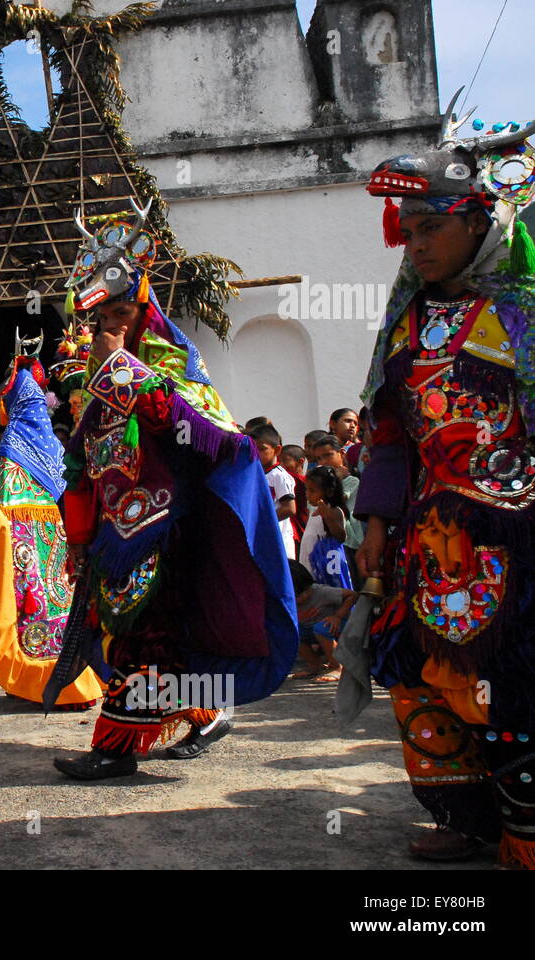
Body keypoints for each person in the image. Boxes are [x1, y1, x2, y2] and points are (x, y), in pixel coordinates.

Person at [48, 199, 298, 777]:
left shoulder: (172, 361)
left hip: (171, 529)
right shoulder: (97, 374)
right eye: (95, 315)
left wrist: (123, 371)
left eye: (114, 309)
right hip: (118, 533)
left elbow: (210, 434)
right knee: (139, 635)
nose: (104, 324)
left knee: (145, 636)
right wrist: (80, 537)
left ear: (138, 306)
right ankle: (205, 711)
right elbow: (85, 464)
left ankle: (114, 750)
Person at [355, 100, 535, 866]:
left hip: (516, 538)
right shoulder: (405, 325)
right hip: (425, 542)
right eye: (409, 229)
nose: (417, 244)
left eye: (432, 226)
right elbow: (389, 436)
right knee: (420, 678)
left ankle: (524, 829)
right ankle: (468, 816)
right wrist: (373, 531)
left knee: (510, 687)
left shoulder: (523, 316)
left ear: (481, 221)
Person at [0, 331, 102, 708]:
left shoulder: (13, 444)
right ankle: (76, 682)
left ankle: (38, 681)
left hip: (24, 547)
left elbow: (1, 508)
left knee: (31, 607)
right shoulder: (53, 444)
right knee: (64, 605)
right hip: (60, 544)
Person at [289, 561, 355, 683]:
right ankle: (314, 664)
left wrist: (338, 616)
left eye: (305, 591)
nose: (302, 597)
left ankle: (337, 666)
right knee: (291, 633)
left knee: (321, 628)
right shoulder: (286, 599)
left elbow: (352, 595)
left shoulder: (321, 592)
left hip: (336, 626)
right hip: (311, 629)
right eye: (297, 596)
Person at [309, 432, 365, 576]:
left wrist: (337, 479)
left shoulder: (352, 481)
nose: (323, 462)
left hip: (348, 541)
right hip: (324, 541)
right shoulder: (317, 484)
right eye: (319, 458)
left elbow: (336, 500)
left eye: (328, 455)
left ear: (341, 453)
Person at [299, 465, 353, 589]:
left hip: (324, 569)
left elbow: (341, 536)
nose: (307, 494)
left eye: (312, 491)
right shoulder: (314, 509)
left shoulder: (334, 511)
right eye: (306, 489)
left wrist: (327, 516)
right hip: (309, 564)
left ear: (328, 491)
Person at [250, 422, 298, 560]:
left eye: (261, 449)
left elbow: (289, 508)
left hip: (279, 540)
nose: (256, 454)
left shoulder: (279, 475)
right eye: (253, 449)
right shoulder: (257, 474)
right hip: (263, 539)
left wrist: (264, 521)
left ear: (277, 450)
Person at [280, 444, 309, 548]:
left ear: (300, 462)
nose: (281, 465)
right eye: (279, 461)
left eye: (285, 461)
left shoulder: (302, 482)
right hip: (289, 531)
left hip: (299, 531)